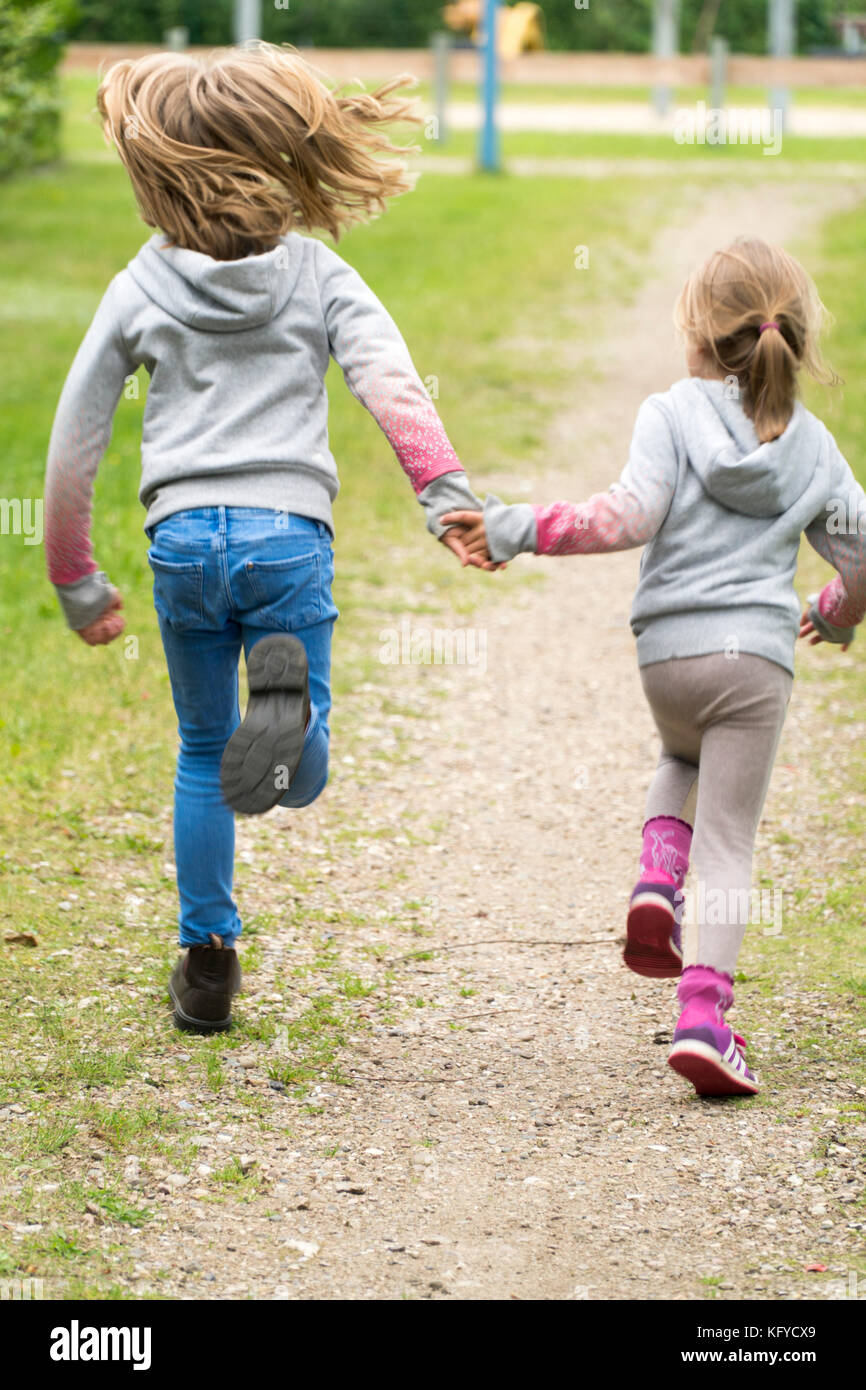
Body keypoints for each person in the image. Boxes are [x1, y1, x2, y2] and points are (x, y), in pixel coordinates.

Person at [43, 44, 491, 1034]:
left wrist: (76, 577)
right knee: (299, 764)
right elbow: (393, 389)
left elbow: (78, 435)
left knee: (204, 748)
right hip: (288, 536)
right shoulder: (318, 276)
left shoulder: (138, 288)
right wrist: (444, 493)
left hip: (182, 543)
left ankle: (206, 961)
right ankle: (294, 731)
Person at [442, 237, 866, 1096]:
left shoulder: (669, 414)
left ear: (697, 335)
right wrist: (832, 613)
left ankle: (654, 876)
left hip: (666, 658)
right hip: (754, 667)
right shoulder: (814, 447)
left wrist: (517, 526)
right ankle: (705, 1017)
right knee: (733, 841)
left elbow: (623, 518)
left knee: (680, 758)